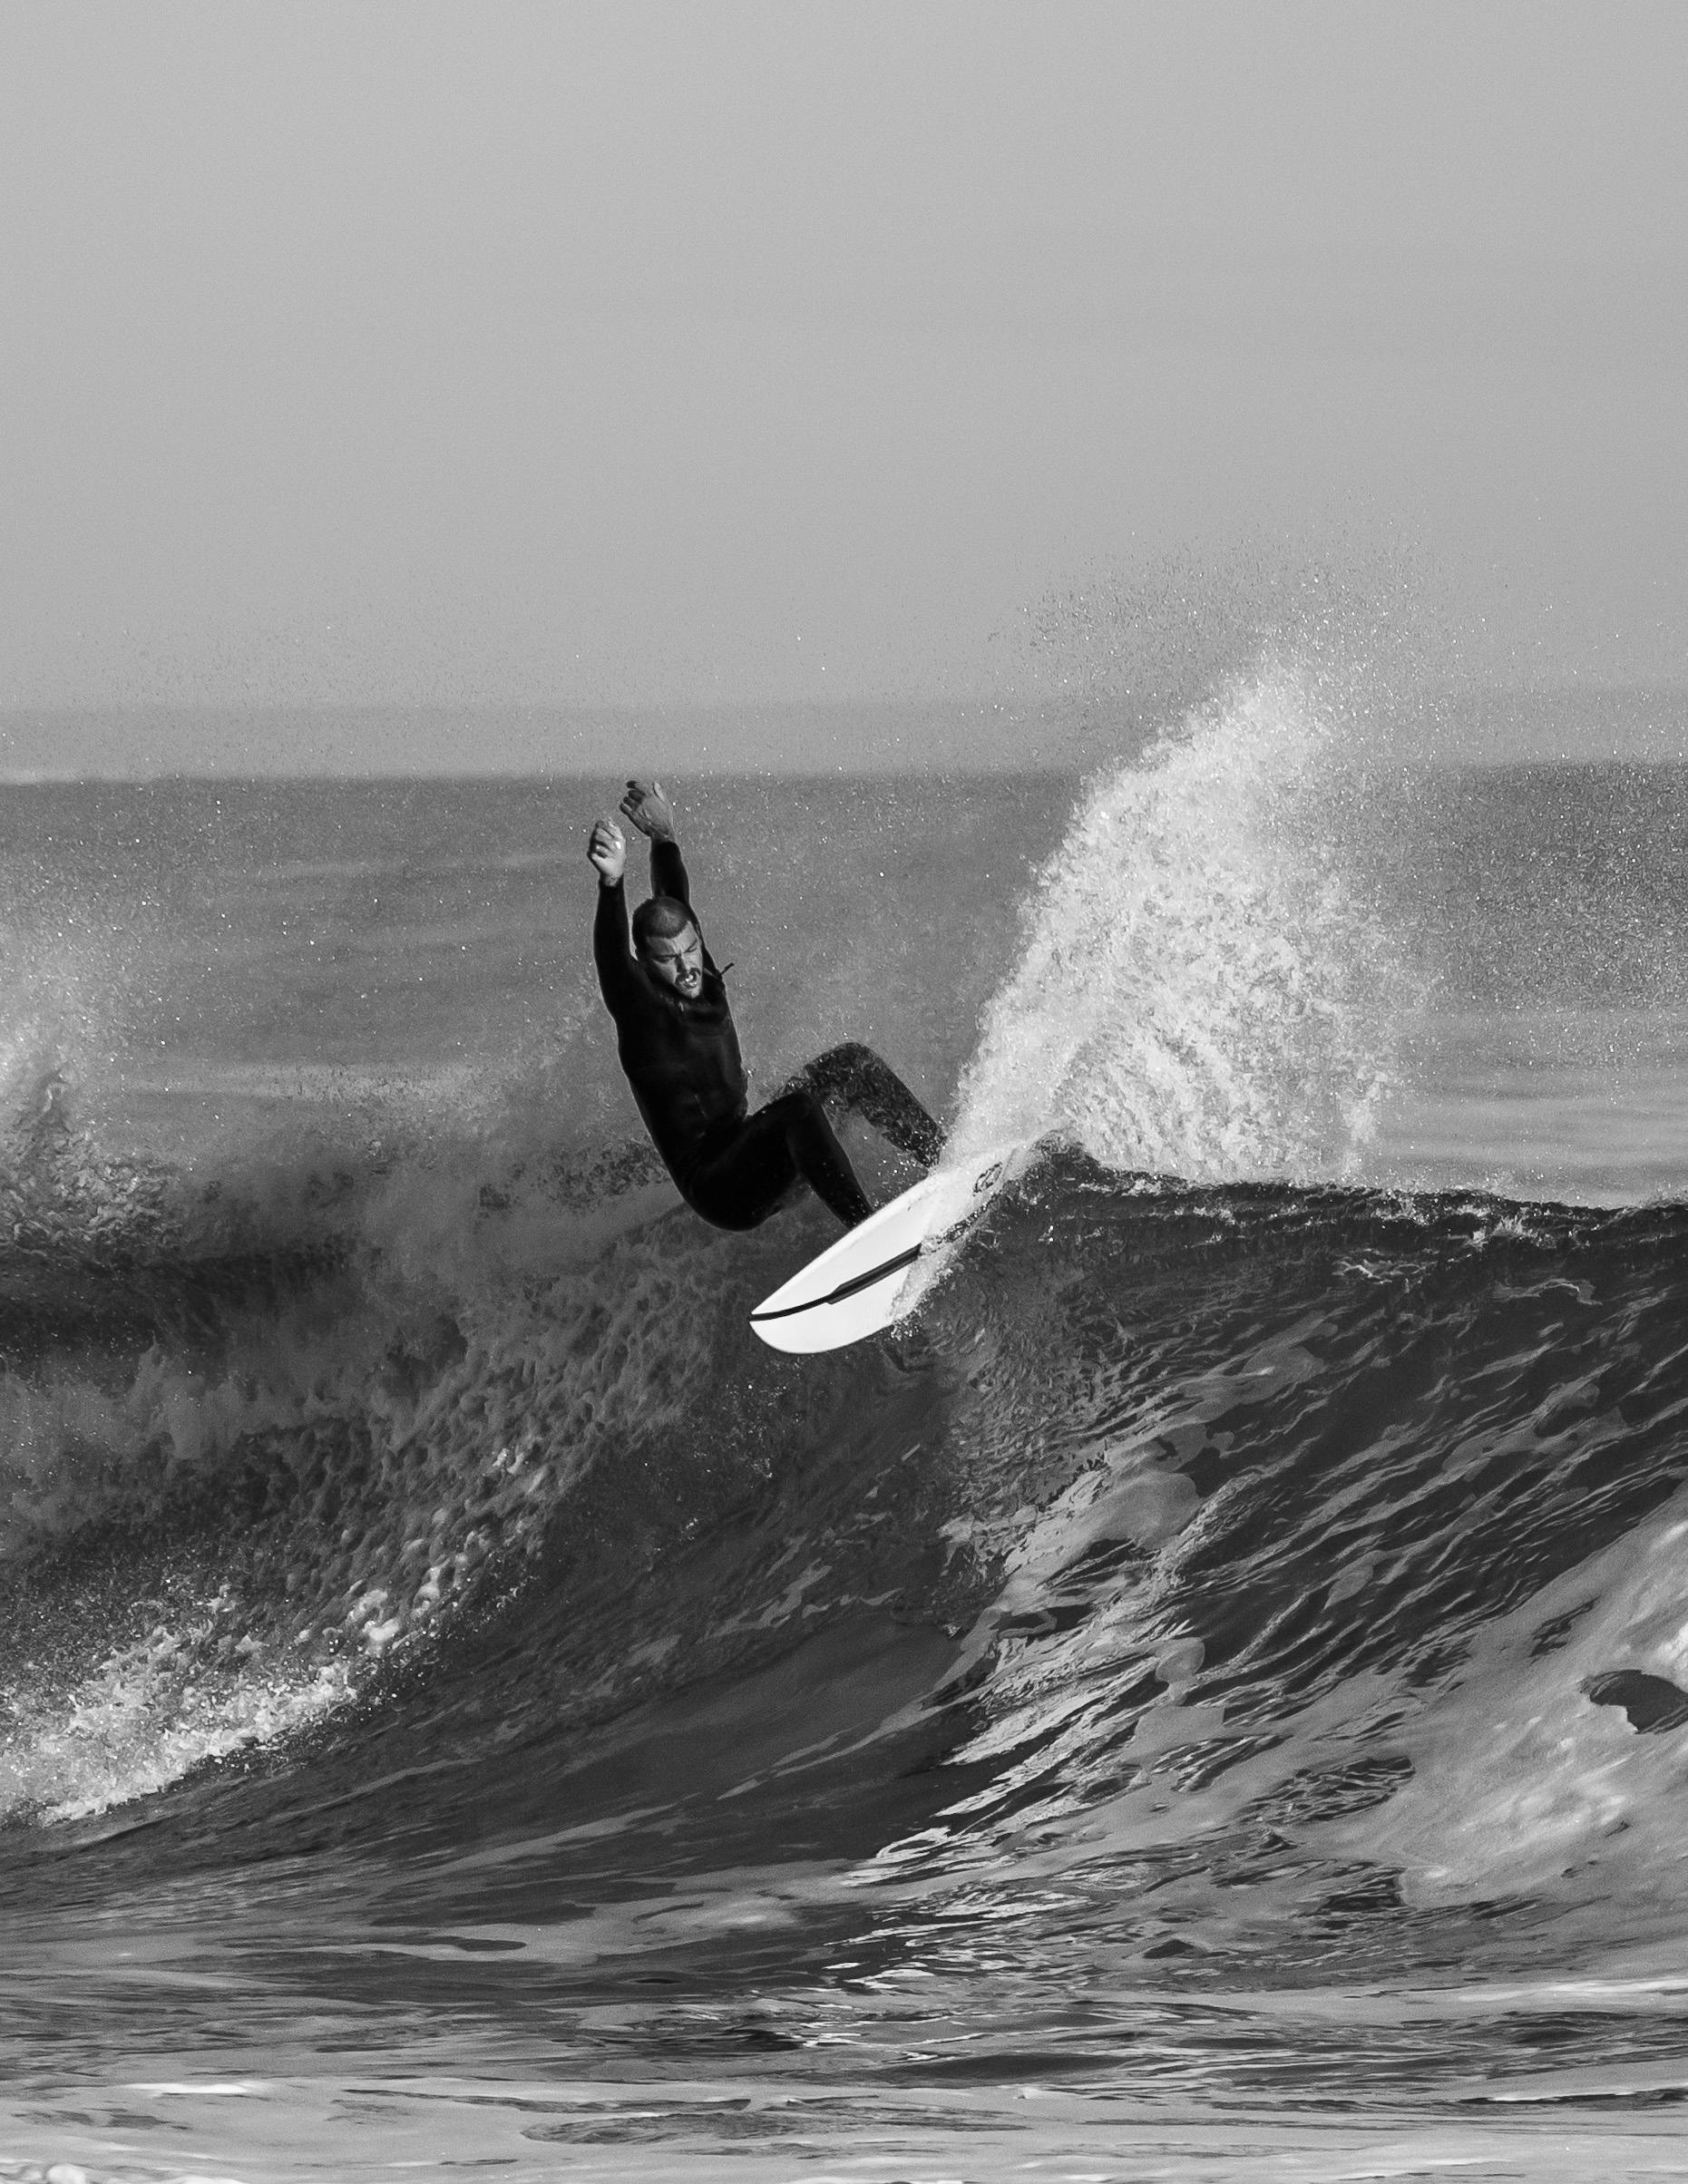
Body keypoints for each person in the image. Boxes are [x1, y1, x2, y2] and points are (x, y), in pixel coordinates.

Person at [588, 778, 942, 1231]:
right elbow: (612, 958)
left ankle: (946, 1160)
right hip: (720, 1189)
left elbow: (674, 893)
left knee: (851, 1063)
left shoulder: (700, 969)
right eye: (668, 959)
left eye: (690, 949)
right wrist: (611, 883)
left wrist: (664, 836)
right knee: (798, 1110)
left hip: (750, 1146)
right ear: (648, 963)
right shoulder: (645, 1010)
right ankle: (864, 1232)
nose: (686, 967)